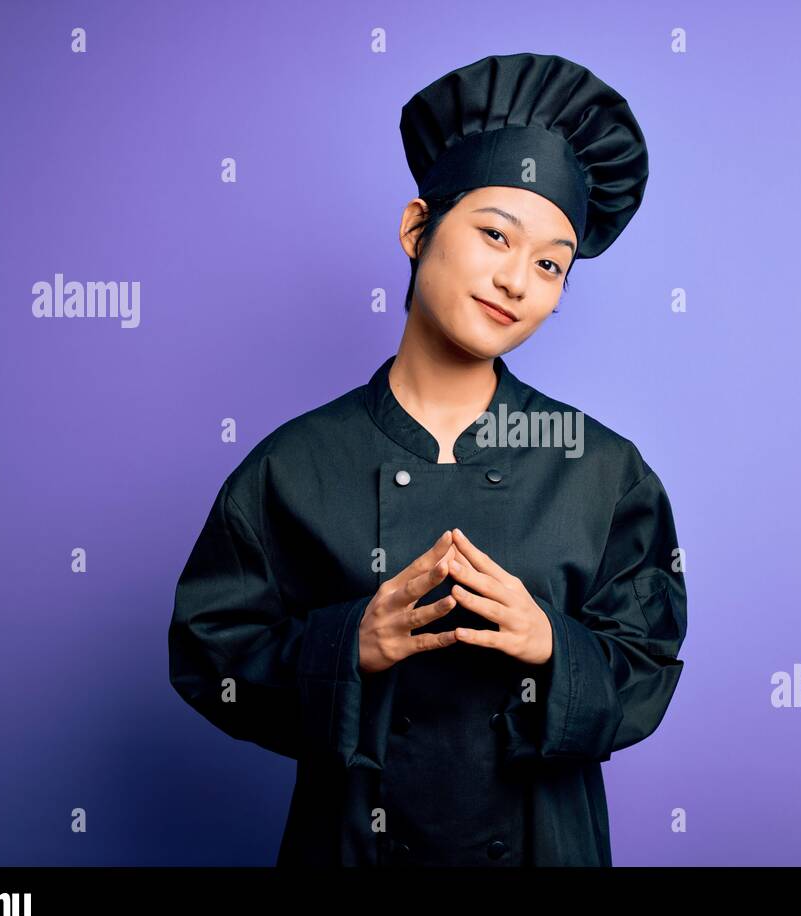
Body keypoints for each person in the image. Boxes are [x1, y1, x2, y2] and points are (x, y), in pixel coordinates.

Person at [168, 52, 688, 866]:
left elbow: (648, 666)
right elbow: (209, 654)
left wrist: (552, 643)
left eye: (551, 264)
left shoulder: (602, 470)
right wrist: (347, 646)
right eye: (493, 235)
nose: (517, 280)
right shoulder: (294, 465)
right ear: (417, 229)